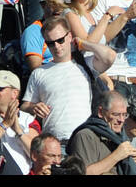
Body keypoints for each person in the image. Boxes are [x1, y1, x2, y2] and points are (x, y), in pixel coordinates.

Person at [22, 14, 116, 143]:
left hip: (84, 140)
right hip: (54, 143)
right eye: (50, 43)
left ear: (70, 36)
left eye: (60, 40)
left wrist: (84, 44)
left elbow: (109, 56)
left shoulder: (85, 64)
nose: (56, 46)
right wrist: (34, 107)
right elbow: (25, 105)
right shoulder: (39, 72)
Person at [68, 91, 136, 175]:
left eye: (124, 115)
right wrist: (117, 155)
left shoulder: (121, 137)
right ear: (100, 112)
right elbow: (84, 173)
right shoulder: (86, 136)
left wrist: (134, 163)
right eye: (116, 114)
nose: (121, 120)